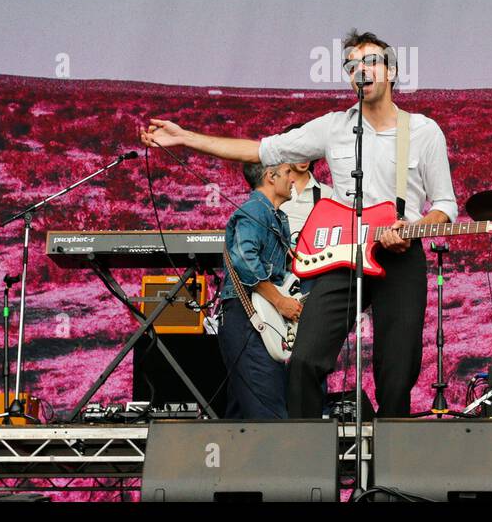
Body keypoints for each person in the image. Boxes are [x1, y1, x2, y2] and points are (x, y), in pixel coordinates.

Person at [140, 29, 457, 418]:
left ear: (391, 71)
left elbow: (444, 205)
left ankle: (387, 475)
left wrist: (412, 228)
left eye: (372, 61)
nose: (362, 70)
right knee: (305, 360)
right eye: (352, 65)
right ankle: (308, 472)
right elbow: (260, 149)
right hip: (343, 255)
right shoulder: (334, 127)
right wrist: (186, 138)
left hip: (400, 254)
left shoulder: (423, 132)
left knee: (396, 374)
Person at [217, 160, 302, 419]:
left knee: (243, 415)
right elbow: (244, 258)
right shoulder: (255, 210)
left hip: (253, 318)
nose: (293, 179)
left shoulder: (274, 215)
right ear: (270, 176)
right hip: (247, 319)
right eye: (288, 173)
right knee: (269, 416)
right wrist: (279, 300)